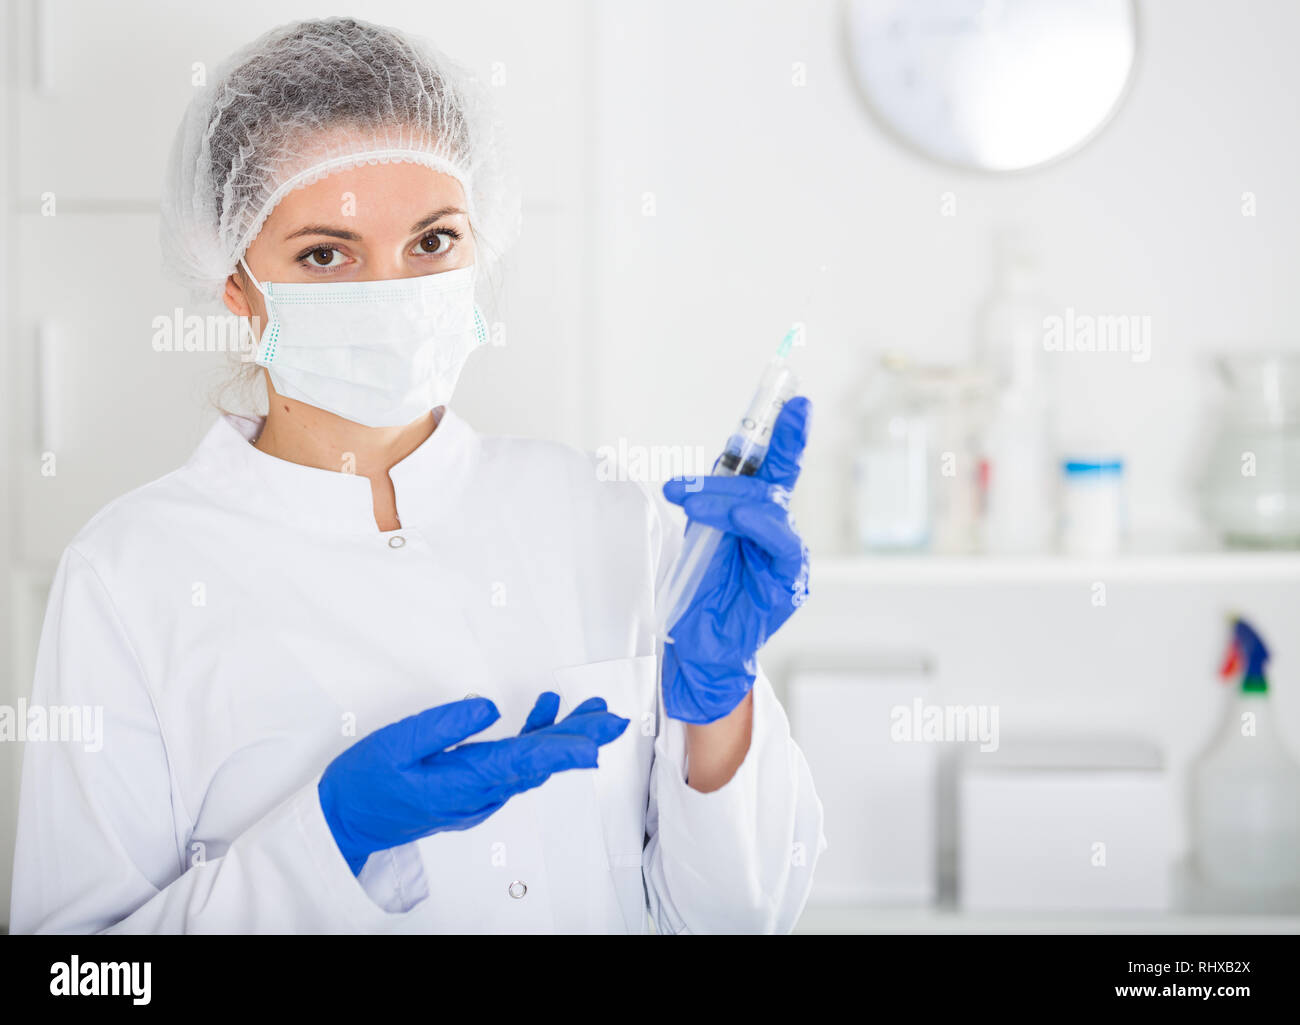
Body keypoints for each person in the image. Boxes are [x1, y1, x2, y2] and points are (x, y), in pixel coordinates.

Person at [9, 16, 825, 934]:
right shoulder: (131, 575)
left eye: (433, 242)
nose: (391, 293)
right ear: (235, 287)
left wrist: (719, 706)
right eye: (326, 253)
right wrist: (326, 844)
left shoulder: (611, 517)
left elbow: (733, 922)